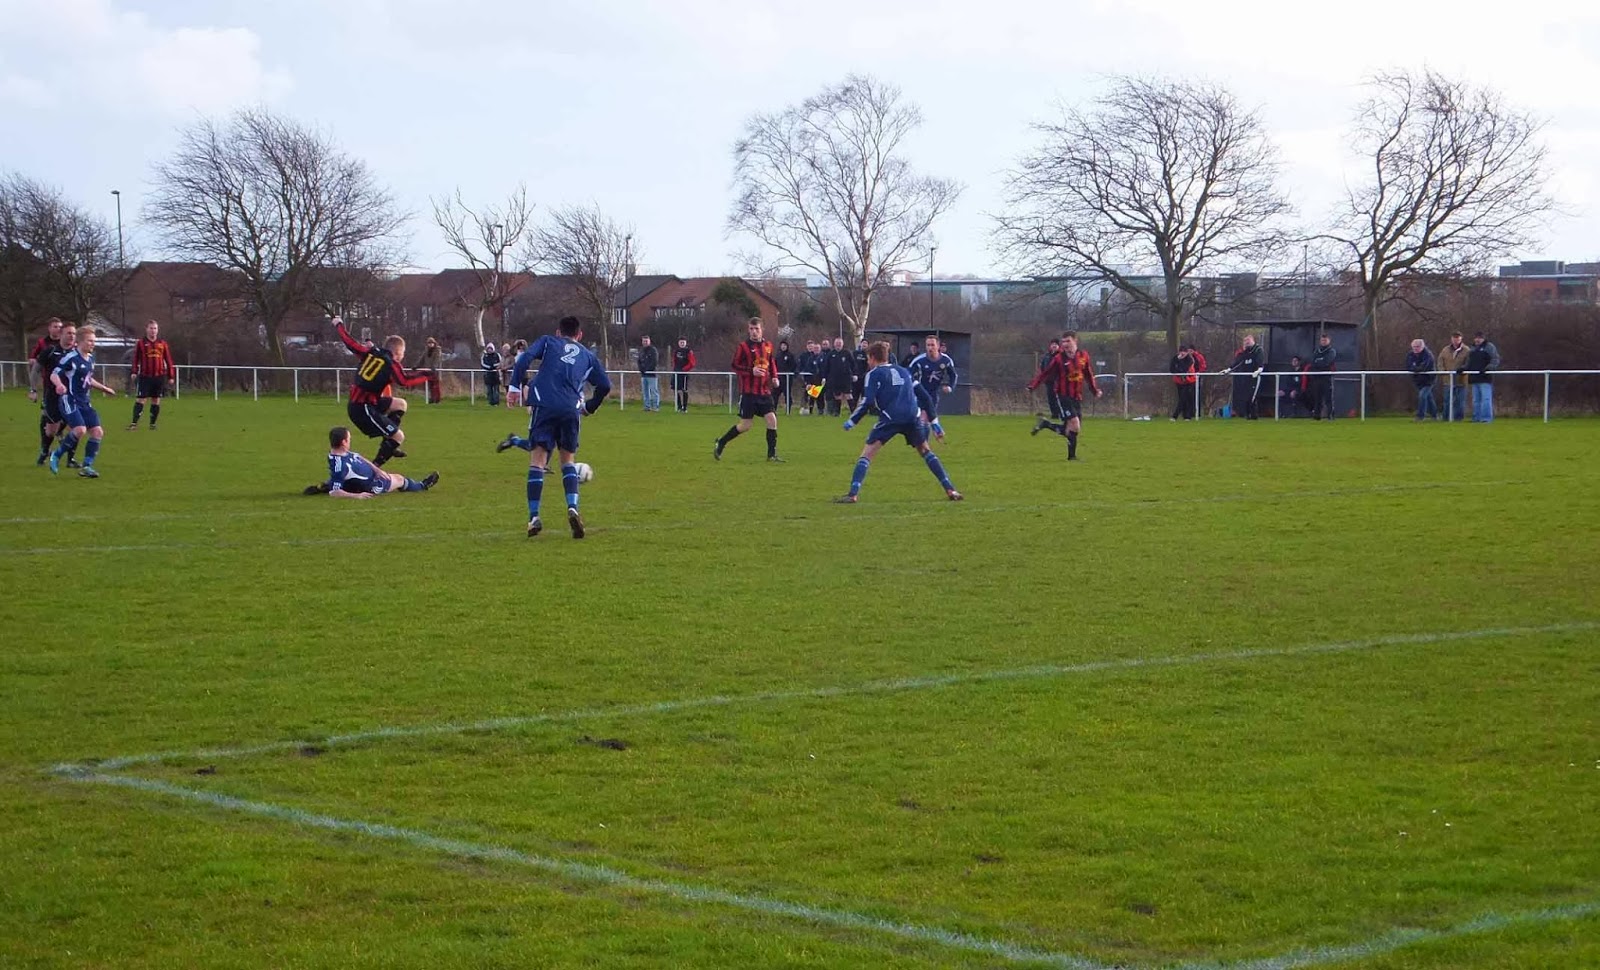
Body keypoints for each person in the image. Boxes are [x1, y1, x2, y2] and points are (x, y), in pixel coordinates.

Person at [496, 316, 612, 538]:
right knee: (567, 460)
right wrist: (590, 407)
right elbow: (605, 385)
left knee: (538, 461)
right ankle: (573, 508)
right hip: (571, 409)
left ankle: (534, 517)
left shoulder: (549, 342)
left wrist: (514, 387)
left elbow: (524, 359)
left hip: (544, 404)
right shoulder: (588, 356)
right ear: (579, 335)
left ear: (559, 332)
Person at [835, 341, 962, 504]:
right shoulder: (904, 371)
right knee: (925, 451)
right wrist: (935, 422)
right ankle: (950, 489)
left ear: (873, 358)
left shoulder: (873, 374)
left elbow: (867, 401)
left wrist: (852, 421)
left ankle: (852, 494)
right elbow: (925, 397)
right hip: (912, 417)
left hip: (891, 418)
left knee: (867, 454)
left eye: (868, 358)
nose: (867, 362)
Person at [333, 317, 432, 465]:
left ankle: (388, 444)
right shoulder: (390, 363)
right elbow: (404, 381)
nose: (403, 356)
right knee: (399, 437)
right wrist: (428, 375)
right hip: (362, 408)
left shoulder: (372, 353)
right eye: (403, 353)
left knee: (401, 404)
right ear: (398, 352)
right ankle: (375, 469)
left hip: (368, 402)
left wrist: (339, 324)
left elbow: (350, 343)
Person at [48, 326, 117, 477]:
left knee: (97, 432)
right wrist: (59, 385)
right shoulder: (70, 358)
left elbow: (88, 379)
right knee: (80, 430)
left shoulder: (90, 359)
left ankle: (86, 466)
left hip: (84, 401)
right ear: (79, 341)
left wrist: (104, 388)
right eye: (90, 341)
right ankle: (56, 455)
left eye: (94, 341)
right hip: (70, 399)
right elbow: (54, 374)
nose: (93, 344)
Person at [714, 317, 784, 462]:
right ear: (748, 330)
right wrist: (750, 371)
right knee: (745, 426)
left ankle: (771, 455)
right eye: (751, 329)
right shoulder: (743, 347)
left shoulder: (768, 346)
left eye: (756, 329)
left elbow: (771, 363)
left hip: (764, 392)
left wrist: (775, 377)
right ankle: (721, 442)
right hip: (749, 393)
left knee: (772, 420)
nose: (754, 332)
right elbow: (735, 366)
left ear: (761, 329)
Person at [306, 426, 439, 497]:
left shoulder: (340, 452)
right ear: (343, 442)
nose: (350, 441)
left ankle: (322, 486)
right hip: (371, 486)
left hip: (372, 476)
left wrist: (376, 469)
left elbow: (359, 457)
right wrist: (357, 497)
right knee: (399, 479)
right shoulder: (339, 465)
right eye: (349, 439)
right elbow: (334, 493)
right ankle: (423, 486)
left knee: (337, 482)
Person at [1028, 331, 1101, 460]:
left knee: (1071, 430)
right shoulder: (1058, 359)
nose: (1065, 344)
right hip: (1062, 396)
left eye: (1068, 341)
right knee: (1075, 424)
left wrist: (1094, 390)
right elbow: (1045, 373)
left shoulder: (1083, 356)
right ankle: (1071, 457)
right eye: (1063, 342)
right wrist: (1033, 385)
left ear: (1075, 341)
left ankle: (1047, 425)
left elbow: (1089, 375)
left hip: (1076, 396)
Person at [126, 319, 176, 431]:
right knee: (140, 399)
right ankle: (134, 423)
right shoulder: (141, 343)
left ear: (157, 330)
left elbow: (168, 360)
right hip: (145, 376)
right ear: (147, 329)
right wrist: (134, 371)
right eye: (151, 328)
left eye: (155, 328)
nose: (153, 331)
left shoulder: (162, 344)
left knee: (156, 400)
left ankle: (152, 424)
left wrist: (171, 376)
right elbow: (135, 359)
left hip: (159, 376)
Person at [908, 333, 958, 441]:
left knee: (925, 419)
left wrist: (950, 386)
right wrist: (913, 385)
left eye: (932, 345)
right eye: (928, 345)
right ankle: (926, 441)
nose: (930, 348)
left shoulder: (946, 360)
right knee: (921, 419)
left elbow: (953, 375)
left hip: (934, 393)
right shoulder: (919, 360)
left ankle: (925, 442)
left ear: (938, 346)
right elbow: (908, 374)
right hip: (920, 393)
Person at [1220, 334, 1265, 420]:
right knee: (1246, 396)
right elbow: (1237, 362)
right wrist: (1228, 370)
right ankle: (1248, 415)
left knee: (1252, 396)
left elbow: (1260, 363)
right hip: (1246, 377)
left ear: (1253, 341)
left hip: (1255, 377)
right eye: (1245, 342)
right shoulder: (1244, 352)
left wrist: (1258, 370)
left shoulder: (1258, 350)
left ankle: (1254, 416)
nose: (1246, 343)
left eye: (1248, 341)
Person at [1461, 331, 1500, 423]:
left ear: (1483, 338)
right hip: (1474, 378)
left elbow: (1495, 359)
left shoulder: (1489, 347)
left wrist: (1488, 368)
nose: (1478, 340)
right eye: (1476, 338)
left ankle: (1486, 419)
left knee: (1486, 399)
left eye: (1480, 338)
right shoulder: (1472, 349)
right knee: (1476, 400)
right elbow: (1469, 363)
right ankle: (1476, 418)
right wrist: (1463, 368)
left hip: (1485, 378)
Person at [1435, 330, 1470, 422]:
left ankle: (1459, 419)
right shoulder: (1445, 350)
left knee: (1460, 401)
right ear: (1451, 339)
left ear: (1461, 339)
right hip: (1447, 380)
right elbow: (1440, 362)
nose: (1456, 340)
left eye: (1458, 338)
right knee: (1447, 400)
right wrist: (1442, 371)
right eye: (1454, 338)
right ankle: (1446, 418)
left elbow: (1469, 363)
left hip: (1461, 380)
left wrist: (1463, 369)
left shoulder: (1467, 350)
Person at [1405, 338, 1438, 421]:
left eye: (1417, 346)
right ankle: (1435, 415)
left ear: (1422, 346)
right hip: (1418, 380)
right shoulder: (1410, 354)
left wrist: (1415, 369)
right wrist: (1415, 369)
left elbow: (1425, 367)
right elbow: (1408, 366)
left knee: (1422, 396)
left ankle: (1420, 416)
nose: (1415, 348)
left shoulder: (1428, 355)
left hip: (1429, 380)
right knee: (1429, 398)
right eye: (1413, 347)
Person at [1307, 332, 1338, 420]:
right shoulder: (1317, 350)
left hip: (1327, 377)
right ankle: (1317, 416)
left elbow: (1326, 362)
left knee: (1328, 398)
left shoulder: (1331, 351)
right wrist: (1319, 362)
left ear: (1329, 340)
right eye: (1322, 340)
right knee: (1317, 397)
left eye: (1325, 340)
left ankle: (1330, 415)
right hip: (1317, 377)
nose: (1323, 342)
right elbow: (1312, 362)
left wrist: (1319, 362)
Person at [822, 336, 853, 417]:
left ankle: (853, 412)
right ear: (834, 344)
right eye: (837, 343)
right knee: (837, 396)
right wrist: (824, 377)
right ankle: (837, 413)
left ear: (842, 344)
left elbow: (853, 364)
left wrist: (855, 374)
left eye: (839, 343)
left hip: (846, 378)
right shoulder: (831, 354)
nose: (838, 345)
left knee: (848, 395)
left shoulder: (847, 353)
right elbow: (826, 367)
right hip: (835, 379)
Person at [1169, 345, 1198, 420]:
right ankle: (1186, 416)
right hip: (1179, 382)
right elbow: (1172, 369)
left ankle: (1175, 416)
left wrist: (1179, 363)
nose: (1182, 354)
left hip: (1189, 381)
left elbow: (1185, 369)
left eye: (1184, 352)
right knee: (1182, 398)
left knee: (1184, 398)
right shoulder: (1175, 358)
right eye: (1181, 352)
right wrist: (1177, 361)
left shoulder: (1189, 360)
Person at [671, 336, 696, 413]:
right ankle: (679, 406)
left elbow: (692, 363)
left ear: (685, 343)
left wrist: (684, 369)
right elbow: (674, 361)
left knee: (684, 390)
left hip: (684, 373)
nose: (682, 344)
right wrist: (675, 369)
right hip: (676, 372)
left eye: (683, 342)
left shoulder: (688, 351)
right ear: (678, 343)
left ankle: (684, 408)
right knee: (675, 389)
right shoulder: (676, 351)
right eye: (680, 342)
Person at [1039, 339, 1063, 419]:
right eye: (1052, 344)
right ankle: (1054, 414)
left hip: (1058, 381)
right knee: (1051, 398)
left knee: (1059, 398)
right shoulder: (1047, 355)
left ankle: (1061, 413)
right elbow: (1042, 366)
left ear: (1058, 346)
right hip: (1048, 381)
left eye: (1055, 345)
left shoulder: (1061, 355)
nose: (1054, 346)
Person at [796, 340, 820, 415]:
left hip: (816, 378)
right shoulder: (803, 355)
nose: (810, 348)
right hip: (807, 378)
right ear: (807, 347)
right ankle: (804, 407)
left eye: (812, 346)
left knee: (814, 393)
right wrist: (798, 372)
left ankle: (811, 409)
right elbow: (800, 366)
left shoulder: (817, 355)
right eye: (809, 346)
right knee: (806, 393)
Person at [419, 336, 444, 404]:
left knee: (436, 385)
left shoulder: (437, 350)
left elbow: (437, 359)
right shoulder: (426, 350)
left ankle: (438, 399)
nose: (430, 344)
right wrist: (416, 366)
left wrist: (434, 367)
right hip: (428, 370)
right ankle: (432, 398)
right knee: (430, 386)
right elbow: (422, 359)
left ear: (434, 343)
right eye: (429, 343)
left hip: (435, 371)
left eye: (431, 343)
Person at [774, 339, 797, 413]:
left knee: (787, 395)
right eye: (782, 345)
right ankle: (773, 410)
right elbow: (774, 365)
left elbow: (794, 366)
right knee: (775, 394)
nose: (783, 347)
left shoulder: (790, 355)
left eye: (784, 345)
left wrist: (792, 373)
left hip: (787, 379)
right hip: (778, 378)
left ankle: (788, 410)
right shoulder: (778, 355)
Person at [505, 339, 528, 408]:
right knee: (515, 387)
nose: (521, 347)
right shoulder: (516, 353)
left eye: (522, 346)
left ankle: (524, 402)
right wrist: (515, 344)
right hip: (517, 372)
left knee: (524, 387)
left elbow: (528, 350)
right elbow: (511, 351)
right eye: (520, 346)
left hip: (524, 373)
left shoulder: (525, 353)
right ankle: (513, 402)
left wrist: (525, 343)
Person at [480, 342, 503, 406]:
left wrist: (494, 366)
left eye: (491, 348)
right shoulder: (484, 356)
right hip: (488, 375)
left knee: (496, 390)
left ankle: (496, 402)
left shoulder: (497, 355)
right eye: (488, 349)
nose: (489, 350)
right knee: (489, 390)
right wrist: (489, 367)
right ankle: (491, 402)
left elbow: (500, 362)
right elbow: (482, 364)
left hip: (496, 375)